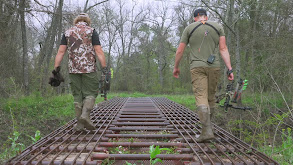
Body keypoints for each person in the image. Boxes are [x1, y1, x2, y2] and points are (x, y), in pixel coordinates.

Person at [173, 9, 234, 142]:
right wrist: (230, 69)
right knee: (211, 98)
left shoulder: (189, 28)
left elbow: (180, 50)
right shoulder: (218, 27)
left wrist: (176, 67)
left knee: (201, 97)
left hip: (197, 67)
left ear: (195, 18)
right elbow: (223, 49)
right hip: (215, 67)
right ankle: (207, 130)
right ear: (206, 16)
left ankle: (206, 131)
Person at [49, 13, 106, 131]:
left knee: (77, 95)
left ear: (76, 21)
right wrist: (104, 67)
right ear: (87, 21)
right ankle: (85, 116)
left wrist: (56, 69)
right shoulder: (91, 31)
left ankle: (80, 125)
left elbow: (60, 52)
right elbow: (98, 50)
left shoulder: (68, 32)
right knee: (90, 93)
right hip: (89, 68)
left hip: (73, 69)